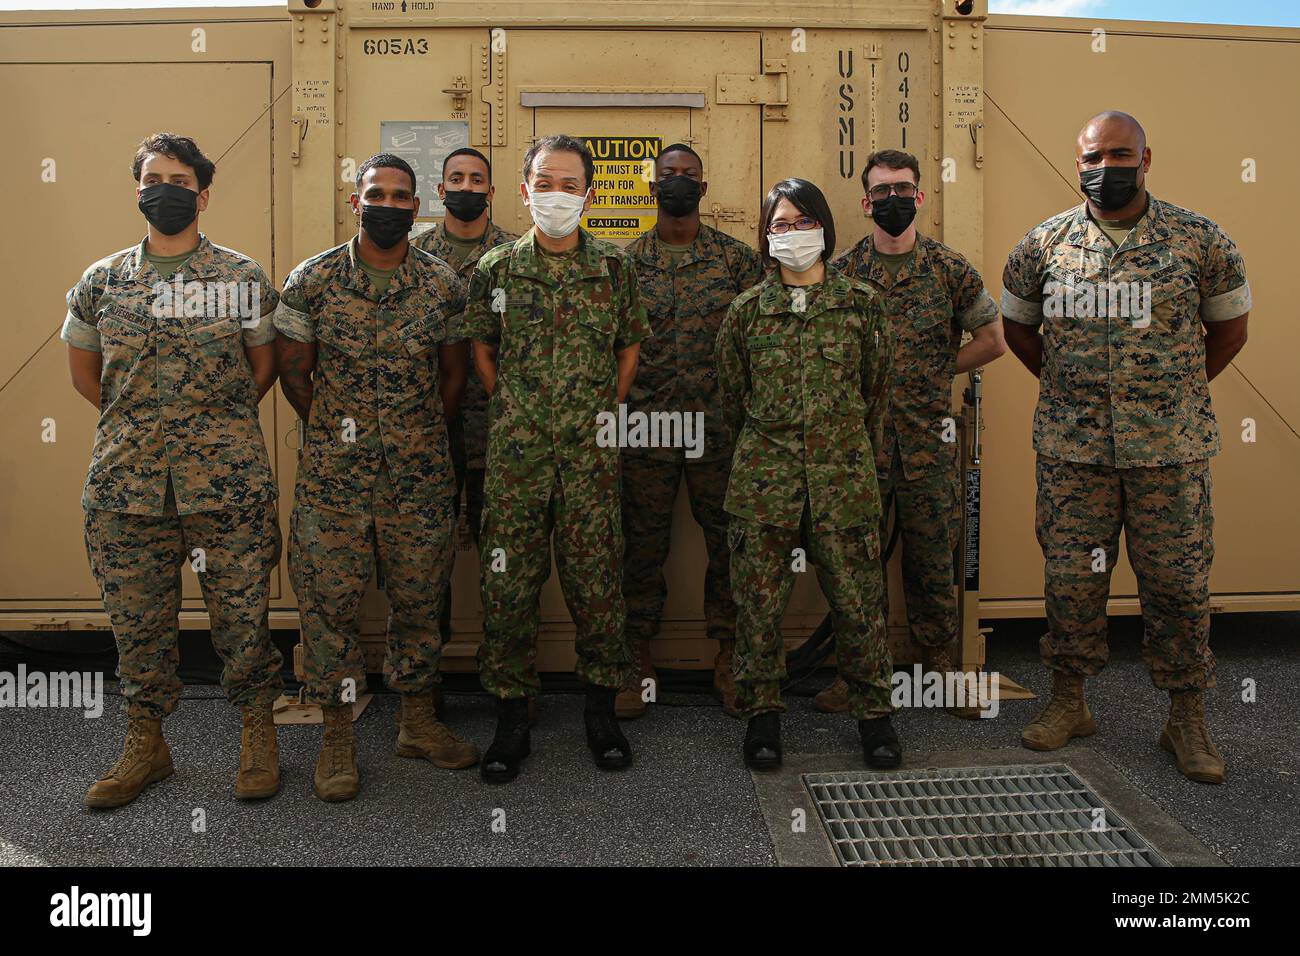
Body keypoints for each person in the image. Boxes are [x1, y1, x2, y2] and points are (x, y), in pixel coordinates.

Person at [1001, 111, 1250, 784]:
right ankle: (1069, 702)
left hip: (1170, 452)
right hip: (1072, 452)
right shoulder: (1043, 244)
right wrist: (1071, 390)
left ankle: (1185, 718)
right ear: (1076, 160)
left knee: (1177, 585)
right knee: (1071, 582)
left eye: (1119, 154)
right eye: (1092, 155)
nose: (1103, 167)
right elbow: (1019, 331)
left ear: (1145, 159)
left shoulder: (1200, 240)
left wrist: (1171, 393)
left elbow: (1229, 330)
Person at [63, 133, 284, 807]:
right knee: (139, 628)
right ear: (138, 190)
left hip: (227, 485)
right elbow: (86, 374)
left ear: (202, 193)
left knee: (242, 621)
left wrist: (211, 428)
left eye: (180, 178)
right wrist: (146, 427)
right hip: (127, 488)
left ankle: (257, 735)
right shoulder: (102, 281)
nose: (166, 188)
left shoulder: (240, 278)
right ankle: (146, 745)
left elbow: (265, 364)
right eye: (153, 177)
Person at [274, 153, 477, 802]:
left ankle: (417, 721)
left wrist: (412, 434)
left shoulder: (441, 283)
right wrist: (341, 432)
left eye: (400, 196)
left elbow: (453, 379)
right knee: (329, 609)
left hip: (418, 476)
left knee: (419, 602)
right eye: (375, 194)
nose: (387, 205)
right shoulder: (312, 281)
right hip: (333, 482)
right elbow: (294, 375)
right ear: (356, 202)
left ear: (416, 207)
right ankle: (337, 737)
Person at [462, 134, 652, 783]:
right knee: (508, 588)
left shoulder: (615, 269)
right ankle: (512, 720)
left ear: (590, 195)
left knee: (597, 589)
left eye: (570, 184)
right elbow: (481, 347)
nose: (556, 195)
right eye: (545, 182)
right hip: (516, 459)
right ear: (524, 189)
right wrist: (511, 403)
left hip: (590, 459)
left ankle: (600, 715)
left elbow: (630, 347)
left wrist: (603, 404)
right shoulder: (497, 270)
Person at [715, 178, 896, 770]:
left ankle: (874, 719)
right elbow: (733, 399)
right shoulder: (745, 314)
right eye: (780, 224)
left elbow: (874, 393)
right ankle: (762, 719)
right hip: (764, 488)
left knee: (859, 604)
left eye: (802, 221)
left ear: (824, 226)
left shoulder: (862, 306)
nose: (792, 234)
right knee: (759, 608)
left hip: (842, 484)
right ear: (767, 238)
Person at [820, 148, 1004, 714]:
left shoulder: (947, 269)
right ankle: (860, 677)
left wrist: (931, 370)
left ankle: (943, 676)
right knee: (858, 565)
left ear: (919, 196)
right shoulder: (845, 273)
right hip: (861, 449)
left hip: (928, 444)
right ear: (865, 201)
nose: (892, 200)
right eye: (882, 191)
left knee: (930, 563)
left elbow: (993, 340)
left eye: (903, 189)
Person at [617, 143, 764, 719]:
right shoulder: (624, 264)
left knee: (729, 545)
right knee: (640, 546)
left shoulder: (735, 263)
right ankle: (635, 659)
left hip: (718, 430)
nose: (678, 183)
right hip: (645, 431)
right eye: (668, 175)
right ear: (653, 188)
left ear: (704, 190)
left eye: (689, 176)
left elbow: (759, 341)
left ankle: (730, 656)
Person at [412, 147, 520, 718]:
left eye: (477, 179)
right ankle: (424, 685)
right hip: (428, 434)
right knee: (428, 561)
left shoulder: (513, 255)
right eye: (456, 178)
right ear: (440, 188)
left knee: (506, 561)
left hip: (500, 431)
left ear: (492, 191)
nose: (466, 187)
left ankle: (508, 680)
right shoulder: (415, 253)